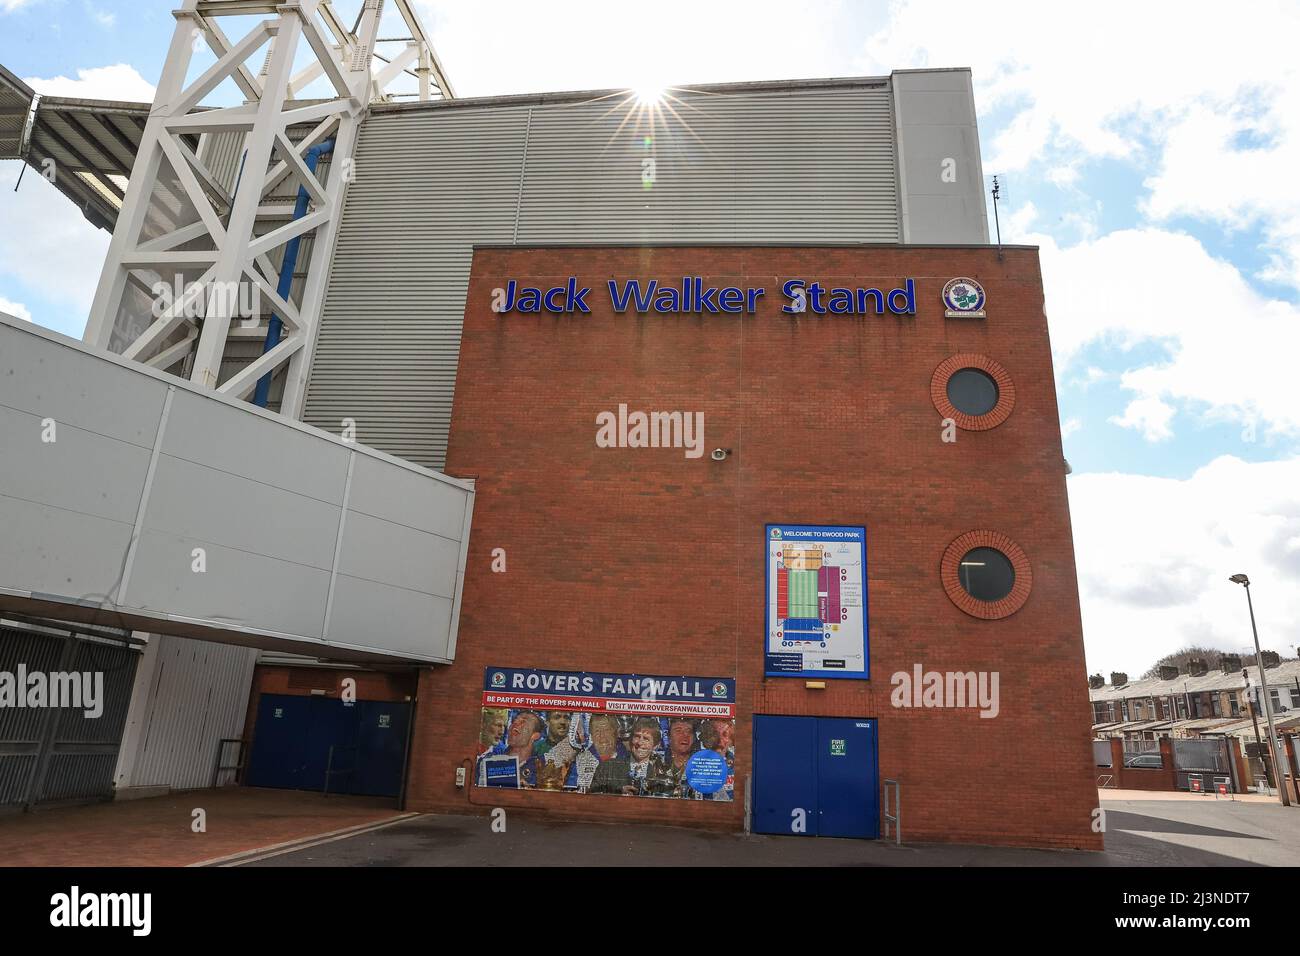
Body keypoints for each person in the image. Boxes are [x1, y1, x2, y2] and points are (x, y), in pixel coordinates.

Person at [543, 712, 628, 791]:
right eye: (597, 731)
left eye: (607, 730)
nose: (602, 736)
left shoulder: (629, 758)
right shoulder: (580, 760)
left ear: (616, 732)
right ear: (591, 734)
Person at [589, 717, 662, 796]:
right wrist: (618, 791)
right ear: (631, 740)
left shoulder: (658, 776)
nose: (640, 743)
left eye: (646, 739)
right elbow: (592, 796)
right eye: (637, 736)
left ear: (655, 745)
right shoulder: (606, 767)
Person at [476, 710, 544, 788]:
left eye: (523, 721)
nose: (516, 723)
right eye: (514, 720)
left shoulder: (540, 766)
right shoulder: (487, 759)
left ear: (535, 736)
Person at [697, 718, 736, 801]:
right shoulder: (698, 762)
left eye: (725, 734)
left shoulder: (736, 763)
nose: (720, 741)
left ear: (731, 739)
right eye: (715, 734)